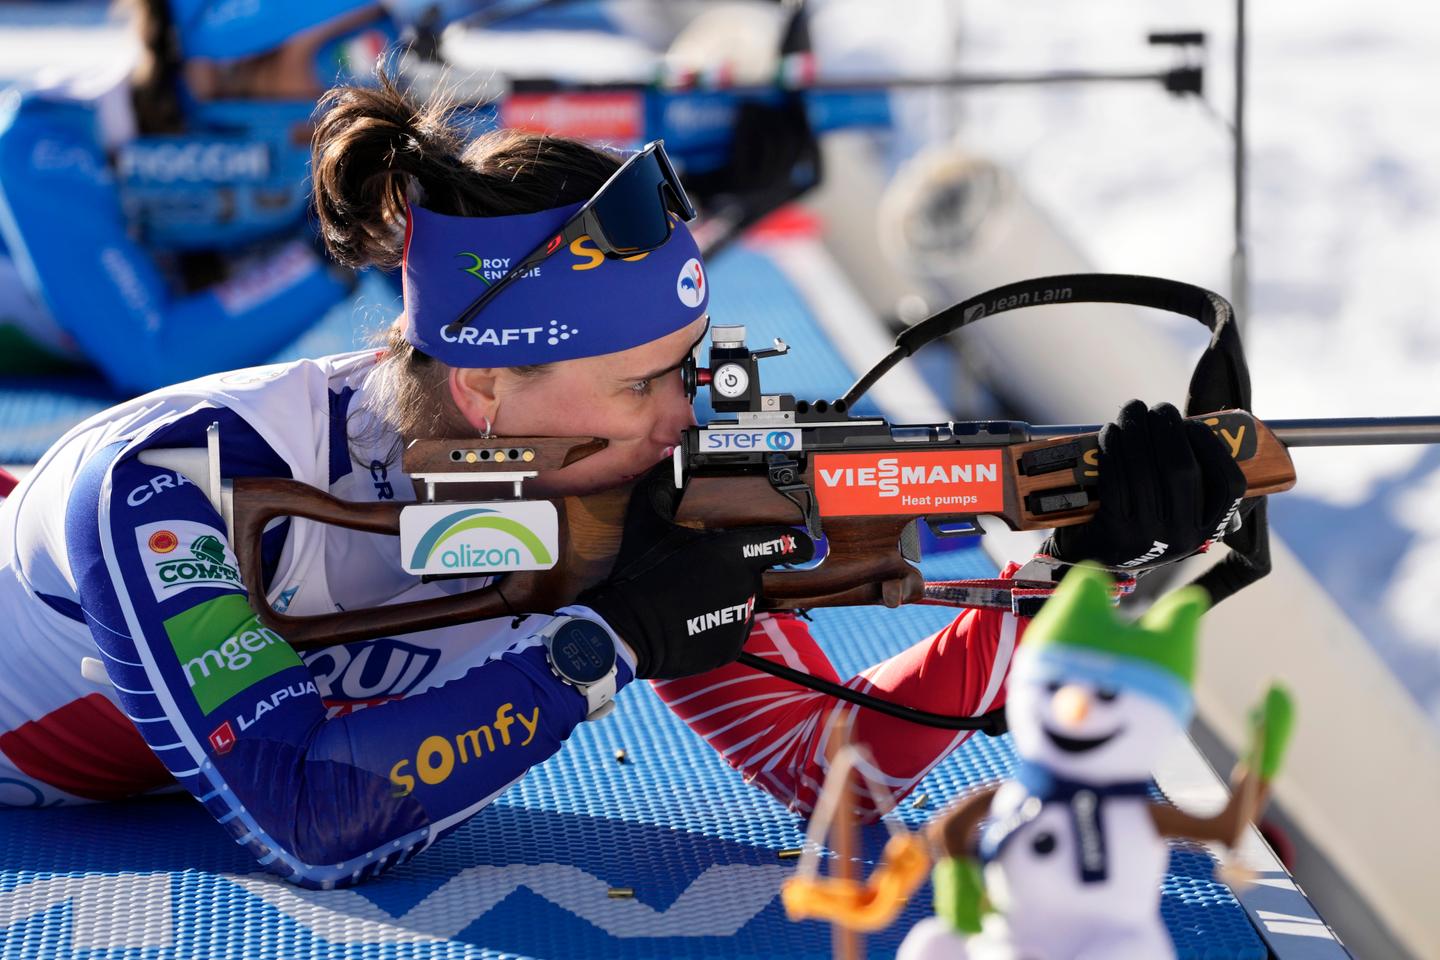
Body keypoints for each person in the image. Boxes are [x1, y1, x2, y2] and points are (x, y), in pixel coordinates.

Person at [0, 73, 1246, 889]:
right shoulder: (174, 487)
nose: (682, 418)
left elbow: (836, 774)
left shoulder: (589, 500)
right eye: (641, 384)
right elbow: (308, 818)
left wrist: (1061, 583)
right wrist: (604, 646)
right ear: (486, 389)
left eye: (687, 372)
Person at [0, 0, 399, 391]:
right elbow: (158, 359)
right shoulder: (48, 144)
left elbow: (452, 333)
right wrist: (341, 243)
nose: (363, 86)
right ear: (222, 66)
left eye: (384, 45)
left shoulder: (299, 146)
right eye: (344, 53)